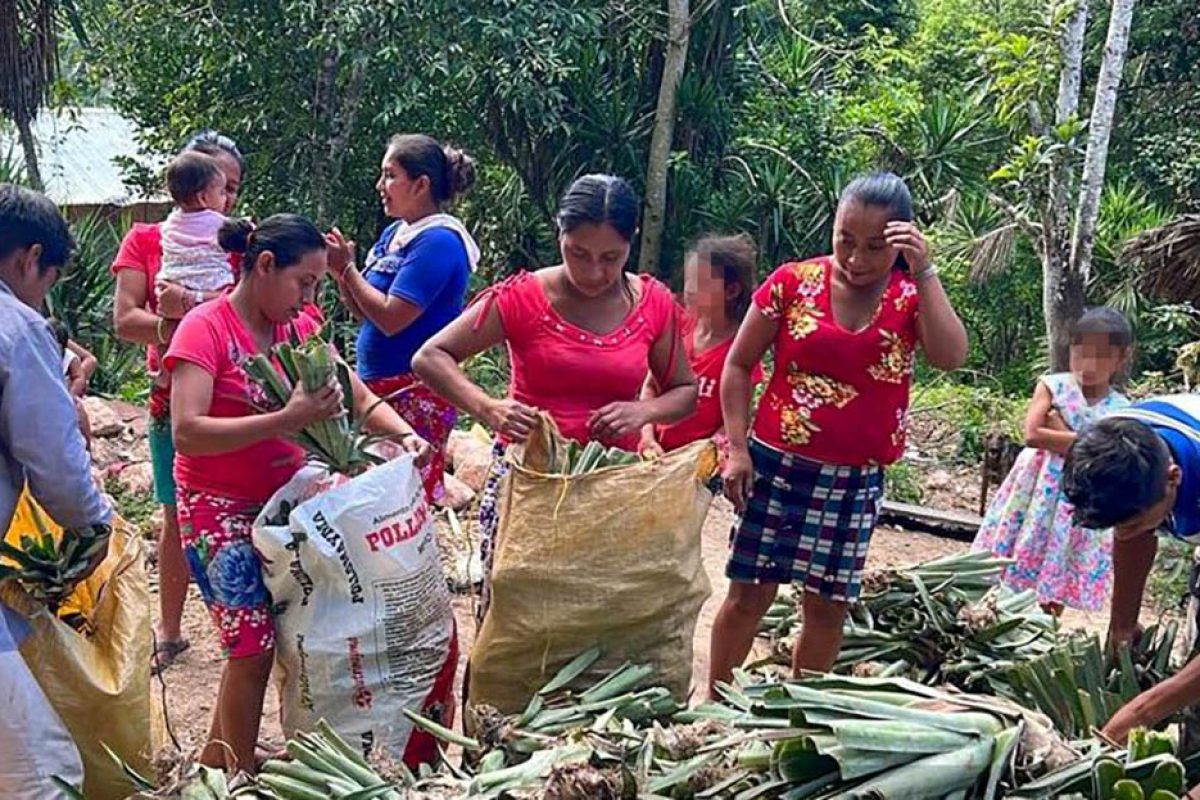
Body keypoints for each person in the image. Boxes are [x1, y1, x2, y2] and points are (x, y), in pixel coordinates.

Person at [167, 214, 428, 775]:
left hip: (287, 512)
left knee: (282, 640)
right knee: (250, 648)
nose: (310, 295)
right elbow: (185, 430)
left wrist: (402, 433)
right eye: (304, 281)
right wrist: (286, 419)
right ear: (264, 266)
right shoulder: (204, 328)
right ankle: (233, 779)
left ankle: (219, 757)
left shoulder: (298, 328)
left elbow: (354, 393)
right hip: (218, 511)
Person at [707, 172, 968, 694]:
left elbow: (950, 356)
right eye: (845, 239)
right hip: (775, 467)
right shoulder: (791, 283)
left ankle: (801, 716)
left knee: (827, 607)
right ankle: (715, 707)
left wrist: (927, 271)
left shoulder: (910, 298)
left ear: (901, 242)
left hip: (853, 481)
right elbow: (737, 368)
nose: (856, 258)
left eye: (875, 247)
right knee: (748, 596)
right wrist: (736, 450)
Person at [413, 174, 697, 616]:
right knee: (512, 616)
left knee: (590, 619)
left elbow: (684, 392)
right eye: (578, 253)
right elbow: (431, 357)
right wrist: (488, 408)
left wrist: (642, 411)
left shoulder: (654, 304)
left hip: (609, 489)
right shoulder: (523, 297)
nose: (594, 272)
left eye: (611, 257)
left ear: (632, 242)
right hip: (528, 487)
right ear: (559, 234)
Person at [111, 130, 244, 674]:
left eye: (233, 188)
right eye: (220, 185)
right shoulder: (146, 239)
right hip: (173, 394)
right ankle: (170, 630)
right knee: (174, 511)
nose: (227, 198)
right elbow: (126, 321)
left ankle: (246, 626)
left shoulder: (239, 239)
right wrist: (189, 318)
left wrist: (178, 312)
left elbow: (251, 308)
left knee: (247, 504)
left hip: (238, 391)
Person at [0, 184, 112, 796]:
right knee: (42, 775)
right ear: (28, 258)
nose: (44, 297)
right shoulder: (16, 329)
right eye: (47, 280)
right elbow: (57, 467)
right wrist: (92, 527)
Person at [325, 134, 479, 504]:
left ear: (421, 184)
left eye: (390, 175)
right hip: (377, 388)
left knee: (401, 505)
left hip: (414, 390)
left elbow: (393, 318)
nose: (381, 186)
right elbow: (364, 310)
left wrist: (347, 269)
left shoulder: (439, 241)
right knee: (370, 503)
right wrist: (341, 273)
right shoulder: (396, 233)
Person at [973, 308, 1132, 615]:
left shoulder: (1122, 409)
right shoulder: (1053, 385)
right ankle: (997, 618)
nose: (1088, 364)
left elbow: (1112, 457)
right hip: (1035, 494)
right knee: (1016, 555)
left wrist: (1060, 430)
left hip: (1078, 501)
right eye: (1081, 353)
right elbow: (1033, 434)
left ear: (1121, 357)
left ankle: (1046, 628)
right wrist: (1090, 444)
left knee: (1060, 562)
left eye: (1101, 356)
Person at [639, 233, 762, 461]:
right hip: (654, 457)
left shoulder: (741, 351)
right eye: (689, 280)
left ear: (731, 291)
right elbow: (650, 388)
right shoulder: (677, 328)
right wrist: (647, 436)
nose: (690, 290)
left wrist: (698, 458)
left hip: (696, 468)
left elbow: (733, 424)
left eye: (702, 283)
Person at [155, 151, 235, 377]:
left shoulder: (171, 221)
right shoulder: (218, 223)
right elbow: (240, 237)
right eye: (221, 192)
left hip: (171, 280)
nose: (226, 199)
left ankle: (164, 369)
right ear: (202, 198)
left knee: (169, 327)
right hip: (208, 281)